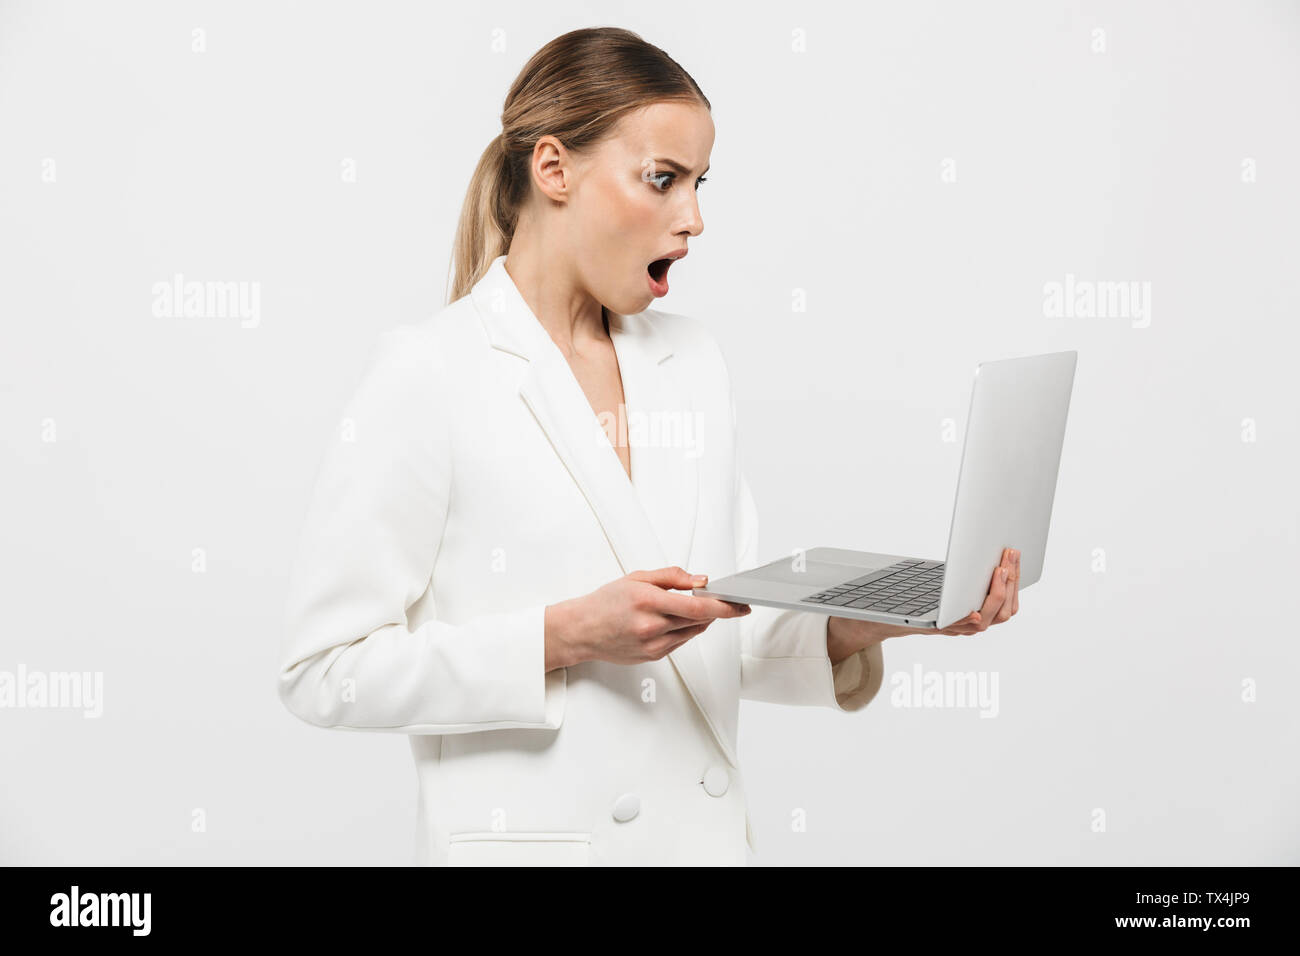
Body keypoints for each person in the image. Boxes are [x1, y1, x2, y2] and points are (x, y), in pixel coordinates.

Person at [276, 26, 1020, 866]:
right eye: (662, 180)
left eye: (699, 184)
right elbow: (323, 671)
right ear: (553, 169)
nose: (694, 219)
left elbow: (721, 633)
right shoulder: (428, 373)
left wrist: (868, 620)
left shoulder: (692, 361)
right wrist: (564, 635)